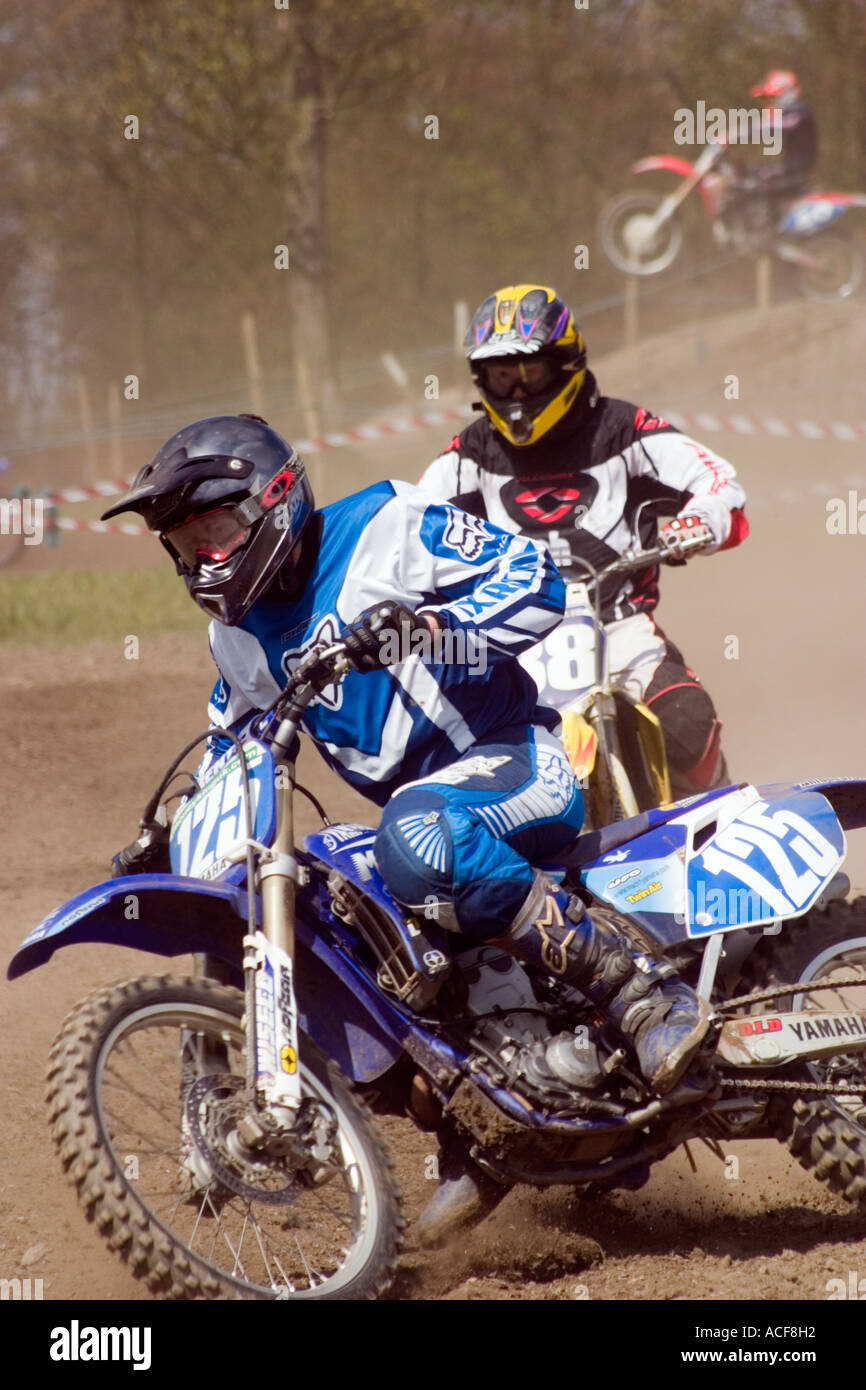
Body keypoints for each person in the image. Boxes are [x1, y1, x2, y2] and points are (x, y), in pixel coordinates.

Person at [102, 413, 713, 1243]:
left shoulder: (387, 522)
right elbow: (231, 745)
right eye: (185, 542)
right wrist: (171, 834)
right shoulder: (234, 636)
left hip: (516, 763)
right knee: (339, 921)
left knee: (415, 834)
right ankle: (482, 1127)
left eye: (215, 528)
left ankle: (641, 990)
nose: (205, 557)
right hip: (418, 815)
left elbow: (535, 580)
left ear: (271, 501)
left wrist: (425, 630)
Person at [419, 284, 749, 799]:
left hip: (620, 628)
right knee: (450, 749)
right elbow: (413, 531)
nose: (519, 394)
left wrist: (698, 521)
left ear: (567, 364)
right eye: (504, 377)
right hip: (512, 636)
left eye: (532, 373)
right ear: (482, 380)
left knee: (687, 720)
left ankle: (725, 825)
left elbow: (719, 480)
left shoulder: (623, 430)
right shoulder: (469, 454)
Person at [721, 70, 817, 240]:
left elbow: (772, 128)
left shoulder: (798, 112)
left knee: (754, 181)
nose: (769, 103)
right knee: (744, 175)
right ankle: (760, 227)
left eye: (772, 98)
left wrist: (735, 136)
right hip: (790, 168)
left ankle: (767, 231)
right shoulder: (791, 113)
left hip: (795, 171)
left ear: (786, 94)